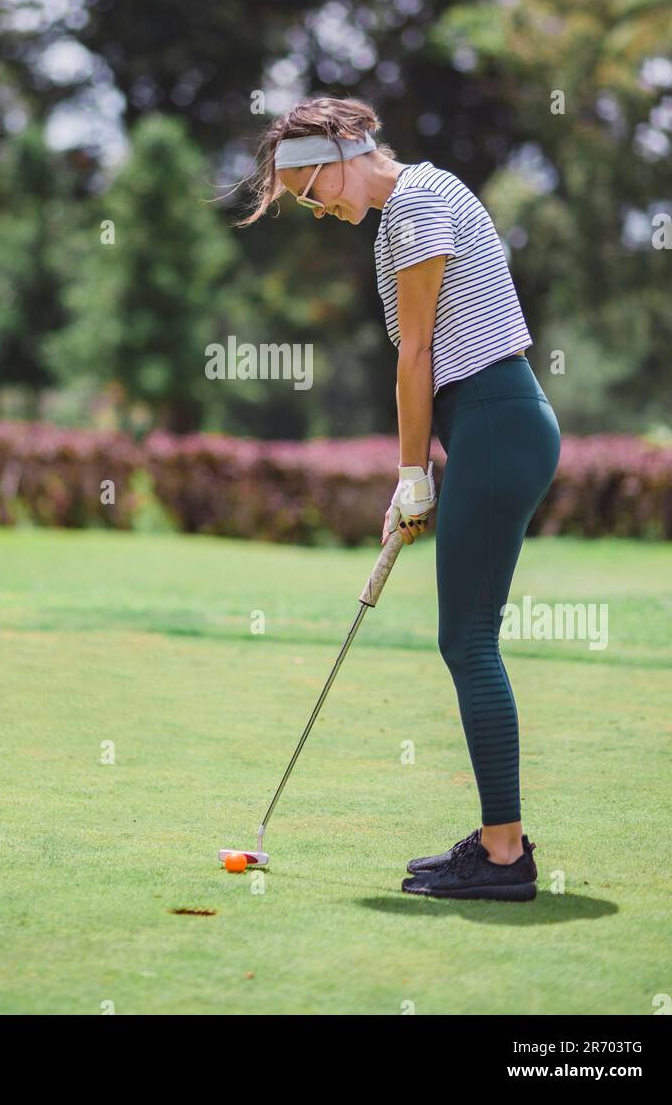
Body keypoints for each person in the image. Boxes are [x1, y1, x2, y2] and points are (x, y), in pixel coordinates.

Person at [236, 96, 562, 901]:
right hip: (492, 427)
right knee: (469, 638)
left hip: (495, 422)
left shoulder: (414, 204)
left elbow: (416, 355)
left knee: (467, 641)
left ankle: (503, 858)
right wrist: (417, 475)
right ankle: (500, 842)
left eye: (314, 189)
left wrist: (410, 472)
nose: (319, 209)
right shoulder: (406, 211)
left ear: (345, 149)